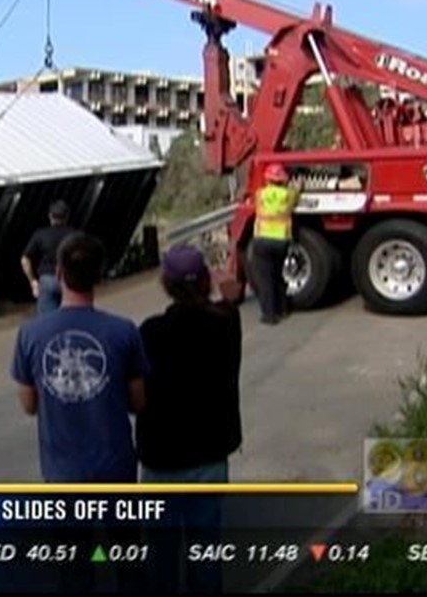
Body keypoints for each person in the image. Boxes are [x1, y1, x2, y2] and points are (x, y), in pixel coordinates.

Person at [10, 232, 148, 592]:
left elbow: (28, 405)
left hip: (63, 470)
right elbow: (139, 403)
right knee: (127, 559)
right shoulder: (124, 331)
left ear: (57, 272)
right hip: (116, 465)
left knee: (74, 569)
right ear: (99, 275)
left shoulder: (30, 335)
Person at [137, 244, 243, 594]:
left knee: (161, 555)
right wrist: (231, 296)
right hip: (210, 454)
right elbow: (226, 307)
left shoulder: (150, 331)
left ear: (166, 284)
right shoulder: (225, 324)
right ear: (204, 281)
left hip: (161, 458)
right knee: (205, 553)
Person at [249, 163, 302, 325]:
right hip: (281, 241)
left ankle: (270, 316)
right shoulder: (288, 195)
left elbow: (254, 202)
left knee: (265, 279)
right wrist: (297, 186)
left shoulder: (260, 194)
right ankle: (283, 309)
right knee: (279, 276)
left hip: (261, 241)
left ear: (268, 179)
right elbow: (296, 195)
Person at [21, 200, 77, 315]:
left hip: (47, 280)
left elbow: (25, 259)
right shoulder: (74, 235)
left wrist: (33, 281)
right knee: (71, 318)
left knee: (47, 320)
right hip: (69, 280)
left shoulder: (40, 234)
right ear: (67, 216)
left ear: (50, 216)